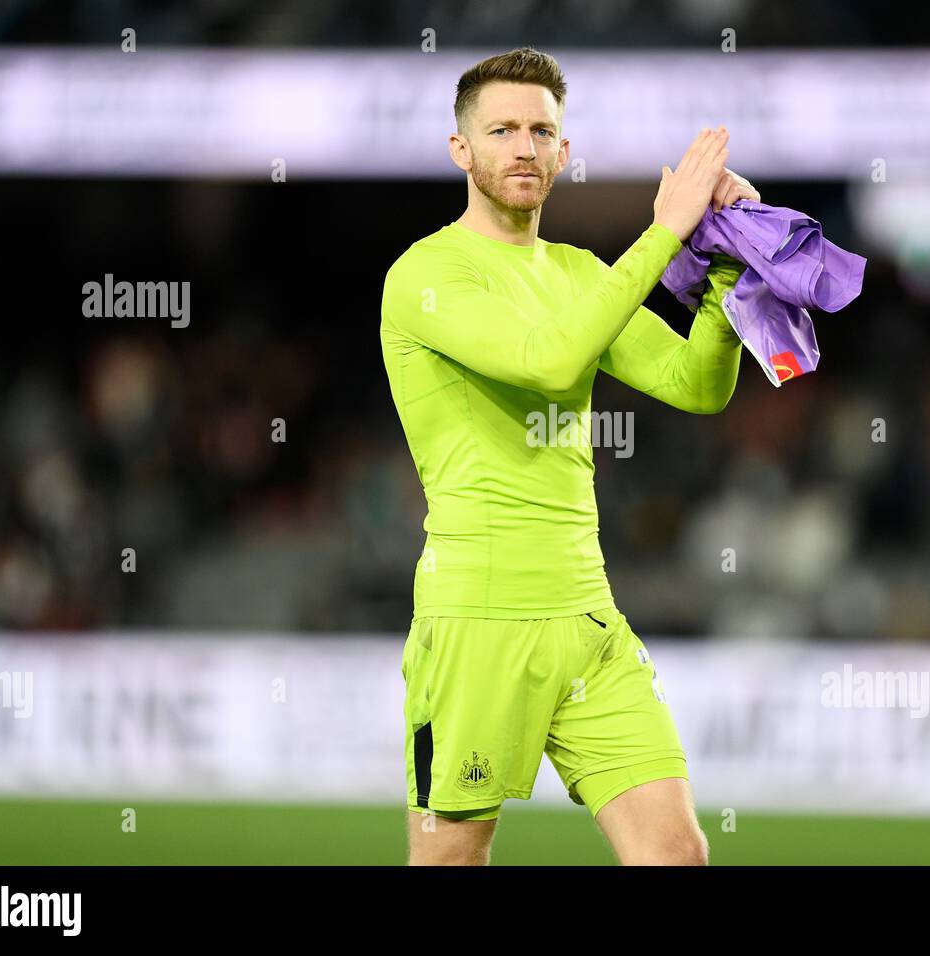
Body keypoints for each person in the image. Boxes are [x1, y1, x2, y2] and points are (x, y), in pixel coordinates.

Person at [380, 46, 759, 865]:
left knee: (678, 854)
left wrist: (730, 263)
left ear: (564, 151)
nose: (524, 146)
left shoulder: (578, 272)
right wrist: (666, 232)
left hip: (587, 617)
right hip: (479, 620)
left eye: (542, 130)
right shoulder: (426, 276)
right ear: (461, 150)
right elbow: (547, 359)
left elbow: (697, 384)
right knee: (452, 859)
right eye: (503, 129)